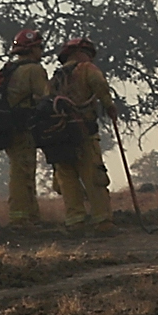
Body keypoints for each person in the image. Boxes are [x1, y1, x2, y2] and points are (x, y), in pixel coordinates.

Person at [48, 37, 118, 230]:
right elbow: (100, 86)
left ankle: (75, 222)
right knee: (94, 175)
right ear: (81, 53)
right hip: (84, 132)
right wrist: (109, 106)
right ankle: (102, 220)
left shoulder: (55, 78)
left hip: (60, 137)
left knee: (67, 179)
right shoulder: (87, 69)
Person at [0, 29, 53, 228]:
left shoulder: (10, 69)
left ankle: (31, 216)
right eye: (40, 47)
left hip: (10, 127)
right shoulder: (34, 69)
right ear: (32, 49)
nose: (42, 51)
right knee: (23, 172)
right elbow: (46, 98)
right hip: (23, 127)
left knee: (23, 170)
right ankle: (20, 218)